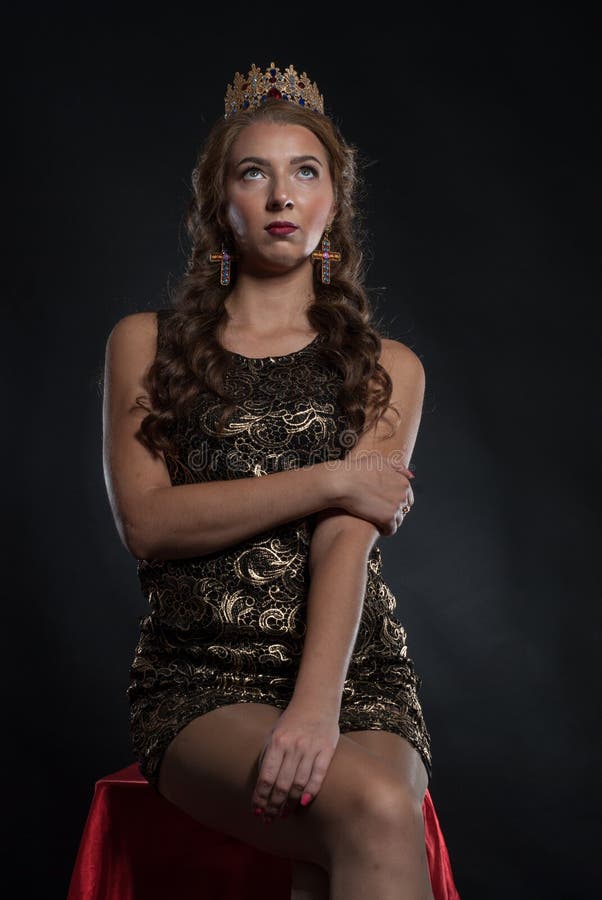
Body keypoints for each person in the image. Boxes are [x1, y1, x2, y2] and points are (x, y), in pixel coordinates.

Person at [102, 61, 446, 900]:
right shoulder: (144, 343)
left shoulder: (386, 366)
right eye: (254, 173)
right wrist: (334, 475)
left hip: (357, 672)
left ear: (335, 202)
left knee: (377, 811)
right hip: (201, 675)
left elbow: (346, 538)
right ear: (218, 204)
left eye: (305, 172)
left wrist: (315, 708)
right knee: (368, 807)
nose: (281, 195)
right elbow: (149, 523)